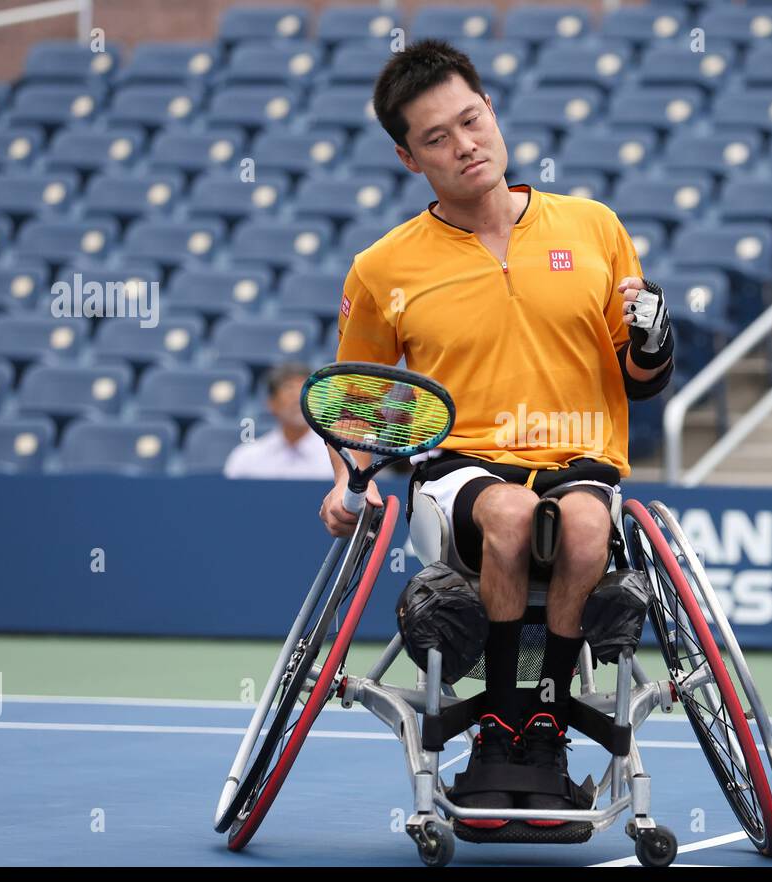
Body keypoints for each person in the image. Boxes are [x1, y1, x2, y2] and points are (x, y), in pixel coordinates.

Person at [320, 40, 674, 829]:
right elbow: (361, 407)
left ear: (493, 113)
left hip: (579, 454)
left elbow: (641, 380)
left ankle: (542, 724)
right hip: (461, 468)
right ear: (409, 158)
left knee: (585, 524)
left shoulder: (593, 227)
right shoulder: (383, 268)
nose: (464, 145)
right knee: (510, 517)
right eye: (437, 138)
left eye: (471, 121)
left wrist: (653, 342)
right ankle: (500, 724)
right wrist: (348, 481)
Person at [223, 363, 335, 480]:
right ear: (272, 403)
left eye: (304, 389)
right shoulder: (246, 458)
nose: (297, 398)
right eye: (289, 389)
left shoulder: (340, 460)